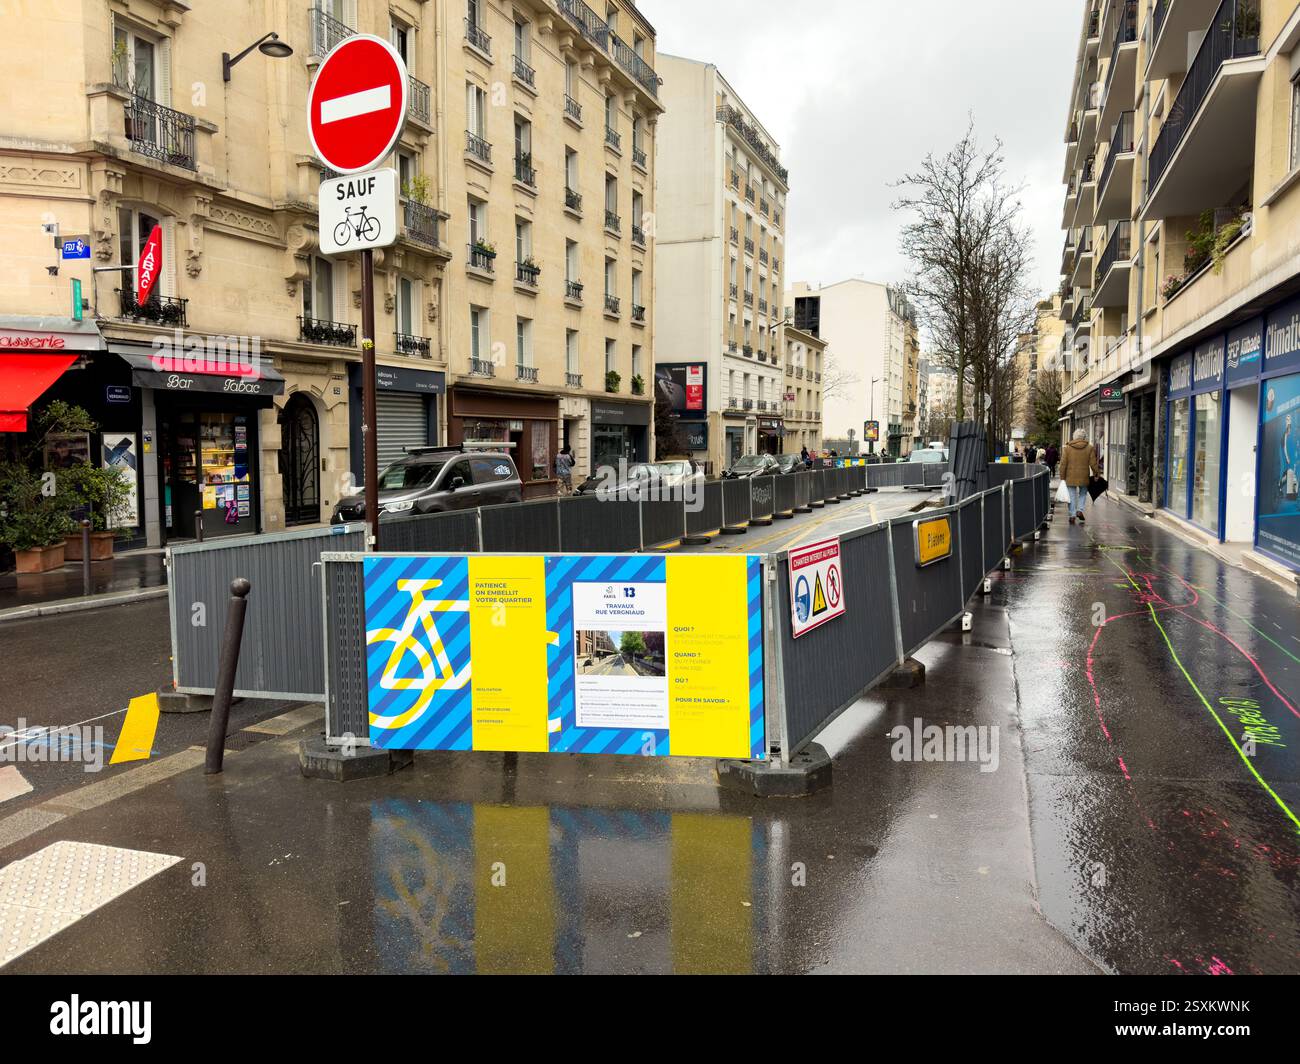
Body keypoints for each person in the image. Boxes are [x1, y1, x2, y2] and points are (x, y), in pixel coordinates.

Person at [1059, 428, 1100, 524]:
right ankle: (1079, 510)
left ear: (1074, 436)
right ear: (1084, 437)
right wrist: (1096, 473)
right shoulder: (1089, 448)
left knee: (1071, 495)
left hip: (1070, 476)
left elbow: (1063, 464)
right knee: (1083, 493)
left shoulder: (1067, 448)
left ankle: (1072, 515)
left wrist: (1062, 477)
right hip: (1084, 476)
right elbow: (1093, 463)